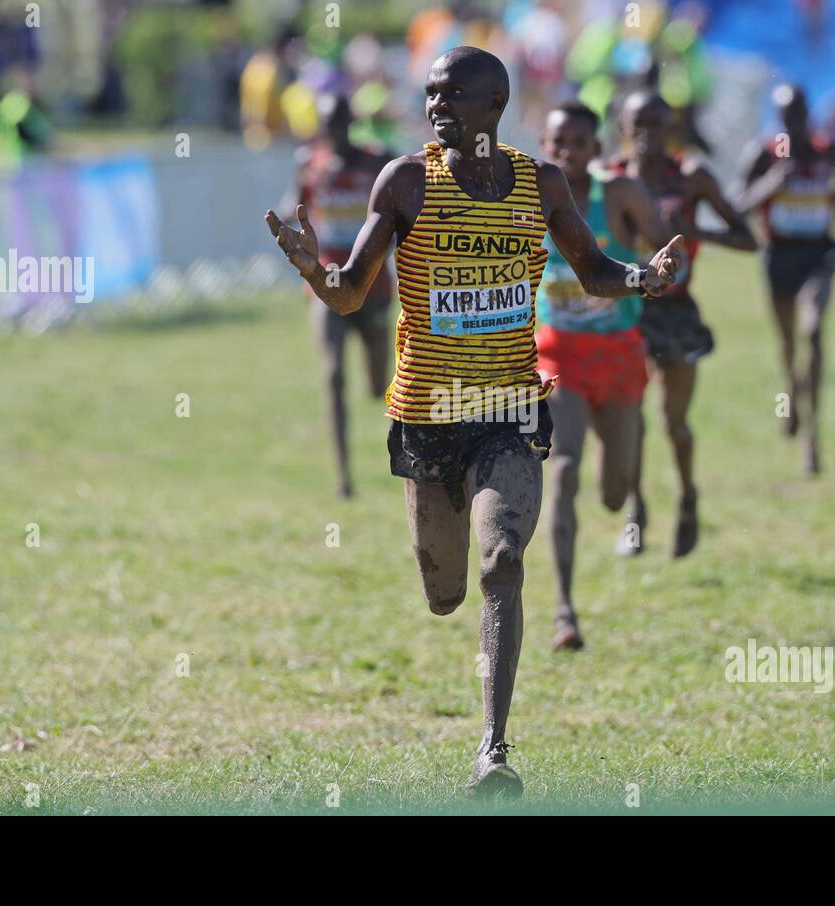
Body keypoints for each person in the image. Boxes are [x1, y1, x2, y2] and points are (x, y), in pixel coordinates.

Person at [266, 47, 684, 797]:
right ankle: (472, 670)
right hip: (429, 417)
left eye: (452, 96)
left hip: (509, 411)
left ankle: (492, 753)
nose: (436, 107)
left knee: (502, 565)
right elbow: (352, 292)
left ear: (495, 104)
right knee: (445, 594)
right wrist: (314, 272)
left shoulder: (540, 182)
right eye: (430, 95)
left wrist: (640, 278)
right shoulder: (406, 182)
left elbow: (591, 268)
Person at [535, 101, 684, 651]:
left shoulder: (619, 194)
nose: (567, 151)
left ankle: (629, 482)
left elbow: (669, 254)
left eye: (578, 141)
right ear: (544, 147)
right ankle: (564, 611)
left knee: (613, 495)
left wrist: (664, 273)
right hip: (558, 357)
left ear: (597, 148)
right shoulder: (525, 195)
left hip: (618, 354)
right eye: (557, 142)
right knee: (564, 469)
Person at [608, 91, 756, 559]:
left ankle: (688, 498)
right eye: (639, 126)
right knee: (630, 417)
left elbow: (748, 237)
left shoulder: (691, 177)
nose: (649, 135)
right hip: (628, 311)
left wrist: (698, 232)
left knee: (675, 421)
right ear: (623, 132)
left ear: (672, 128)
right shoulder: (609, 181)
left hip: (677, 312)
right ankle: (635, 512)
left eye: (658, 124)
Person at [279, 94, 393, 498]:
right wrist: (288, 221)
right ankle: (344, 476)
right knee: (333, 375)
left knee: (378, 384)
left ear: (352, 123)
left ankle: (401, 453)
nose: (337, 133)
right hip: (325, 281)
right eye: (330, 126)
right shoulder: (311, 164)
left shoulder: (377, 162)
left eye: (343, 124)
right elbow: (293, 205)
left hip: (372, 282)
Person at [741, 84, 835, 475]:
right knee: (789, 342)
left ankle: (812, 438)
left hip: (818, 254)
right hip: (780, 256)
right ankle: (792, 387)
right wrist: (773, 184)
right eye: (785, 116)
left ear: (809, 113)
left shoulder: (827, 150)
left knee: (813, 329)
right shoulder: (767, 152)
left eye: (799, 114)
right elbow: (736, 204)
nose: (793, 122)